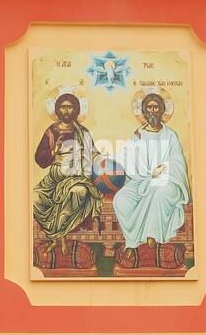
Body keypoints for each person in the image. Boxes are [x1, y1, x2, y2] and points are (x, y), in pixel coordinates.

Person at [113, 93, 190, 248]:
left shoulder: (170, 135)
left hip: (167, 181)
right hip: (142, 180)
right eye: (149, 107)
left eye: (156, 107)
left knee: (159, 192)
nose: (153, 110)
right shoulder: (138, 135)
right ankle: (133, 241)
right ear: (144, 111)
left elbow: (178, 162)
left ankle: (152, 235)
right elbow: (127, 158)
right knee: (121, 199)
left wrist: (163, 168)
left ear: (161, 110)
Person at [33, 93, 102, 246]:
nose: (66, 111)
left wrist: (101, 160)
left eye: (69, 107)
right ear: (58, 110)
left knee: (79, 192)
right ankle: (57, 233)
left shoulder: (83, 132)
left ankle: (57, 232)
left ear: (76, 110)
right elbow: (39, 157)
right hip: (55, 179)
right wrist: (54, 152)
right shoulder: (51, 132)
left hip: (78, 177)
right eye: (63, 107)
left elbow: (93, 153)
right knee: (36, 199)